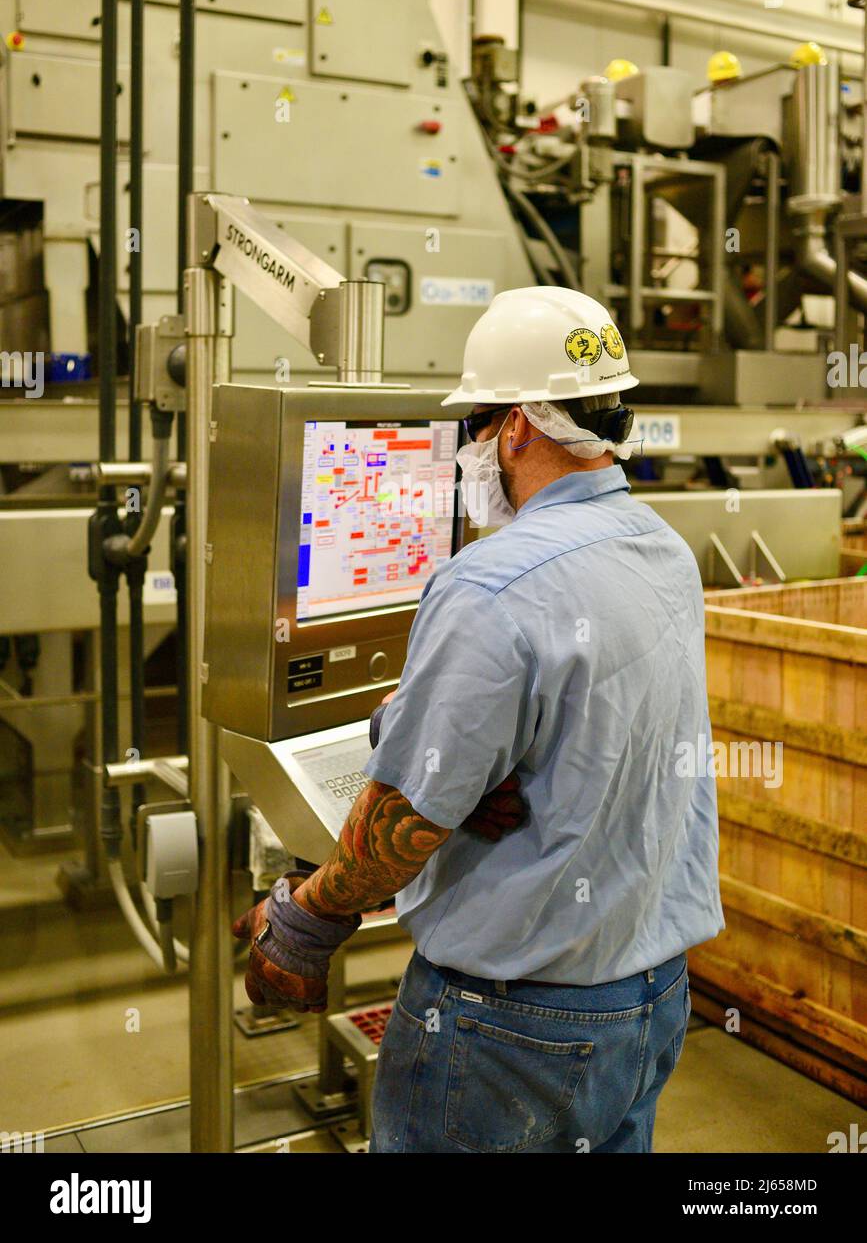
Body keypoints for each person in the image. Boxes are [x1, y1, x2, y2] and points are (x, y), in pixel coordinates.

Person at [233, 287, 724, 1153]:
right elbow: (592, 731)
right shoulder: (661, 550)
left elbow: (409, 819)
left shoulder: (490, 584)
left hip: (511, 1030)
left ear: (519, 427)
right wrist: (437, 727)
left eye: (475, 425)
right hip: (647, 1001)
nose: (470, 450)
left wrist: (304, 921)